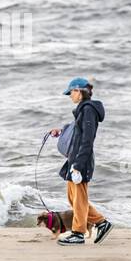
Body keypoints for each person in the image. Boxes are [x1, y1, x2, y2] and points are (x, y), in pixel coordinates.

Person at [48, 77, 112, 245]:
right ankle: (101, 223)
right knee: (73, 198)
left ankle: (78, 233)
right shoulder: (82, 110)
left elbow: (87, 140)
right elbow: (77, 132)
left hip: (80, 161)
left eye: (71, 92)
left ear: (79, 91)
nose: (70, 96)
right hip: (74, 159)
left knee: (79, 199)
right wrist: (61, 132)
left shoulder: (88, 110)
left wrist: (78, 165)